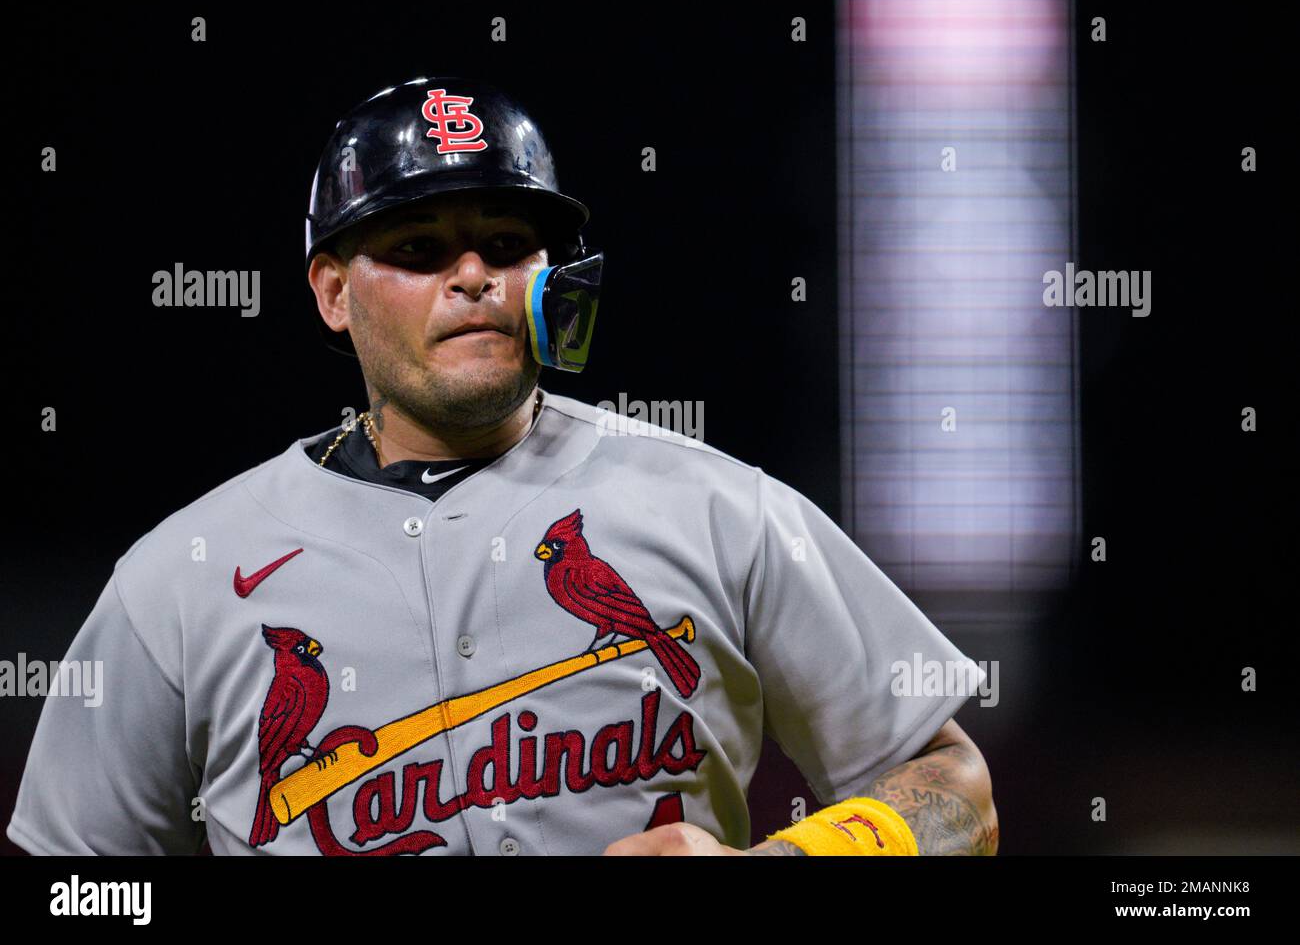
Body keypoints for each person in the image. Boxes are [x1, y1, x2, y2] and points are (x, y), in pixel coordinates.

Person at [6, 76, 996, 856]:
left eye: (504, 241)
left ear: (549, 279)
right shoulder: (179, 579)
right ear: (332, 293)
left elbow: (953, 787)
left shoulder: (723, 511)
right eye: (419, 245)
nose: (472, 272)